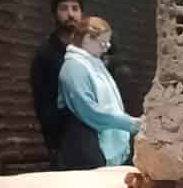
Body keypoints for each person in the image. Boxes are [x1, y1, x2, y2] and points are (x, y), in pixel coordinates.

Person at [57, 16, 141, 169]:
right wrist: (130, 123)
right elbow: (89, 110)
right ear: (87, 39)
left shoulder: (93, 64)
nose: (107, 47)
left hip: (94, 140)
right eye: (103, 42)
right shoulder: (74, 67)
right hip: (83, 144)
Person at [31, 0, 85, 167]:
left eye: (75, 8)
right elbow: (43, 104)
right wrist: (54, 146)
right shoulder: (45, 54)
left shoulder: (91, 51)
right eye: (64, 8)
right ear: (55, 14)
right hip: (64, 141)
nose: (70, 14)